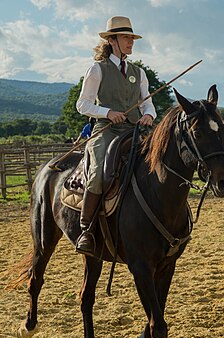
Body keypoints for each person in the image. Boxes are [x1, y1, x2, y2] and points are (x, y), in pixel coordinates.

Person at [75, 15, 157, 256]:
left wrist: (149, 116)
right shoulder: (97, 69)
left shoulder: (138, 72)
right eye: (125, 38)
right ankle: (86, 230)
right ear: (112, 41)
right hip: (106, 131)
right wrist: (107, 112)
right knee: (100, 173)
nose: (131, 42)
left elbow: (148, 103)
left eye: (132, 38)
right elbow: (82, 104)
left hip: (134, 130)